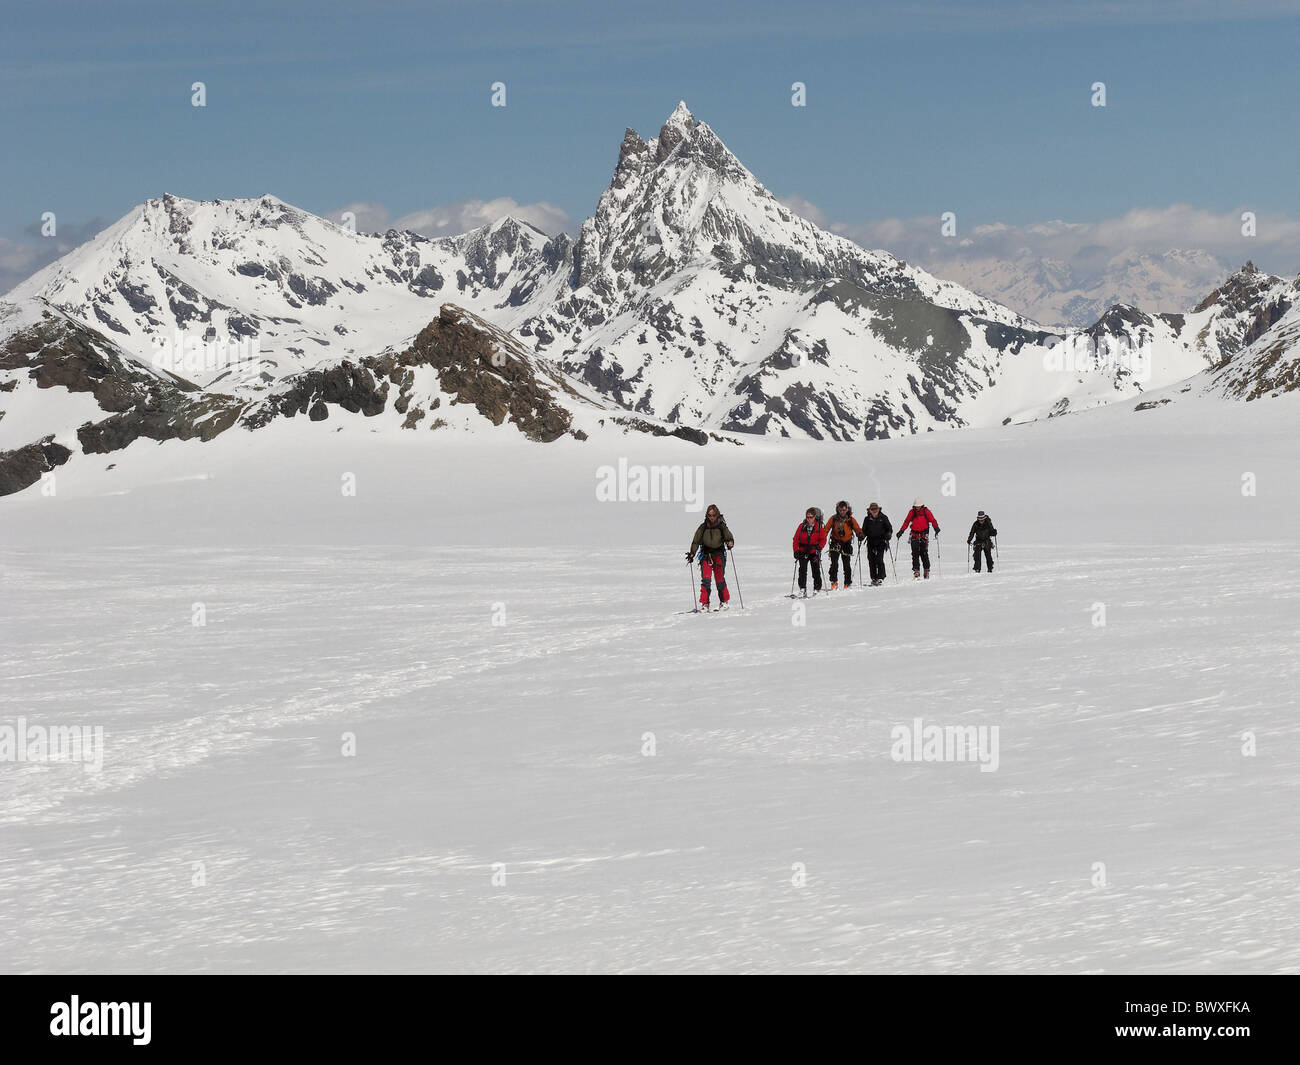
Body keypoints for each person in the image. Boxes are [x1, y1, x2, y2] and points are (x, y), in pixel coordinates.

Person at [687, 504, 734, 610]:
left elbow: (728, 537)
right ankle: (705, 604)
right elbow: (696, 541)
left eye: (713, 515)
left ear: (717, 515)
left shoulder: (722, 526)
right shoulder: (703, 527)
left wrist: (730, 543)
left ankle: (724, 602)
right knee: (706, 579)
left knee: (719, 579)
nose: (711, 517)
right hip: (705, 555)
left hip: (719, 555)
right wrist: (692, 553)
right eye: (709, 515)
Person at [895, 497, 940, 579]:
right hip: (914, 535)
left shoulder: (926, 511)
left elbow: (932, 520)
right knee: (915, 553)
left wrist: (936, 528)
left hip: (924, 535)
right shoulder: (912, 512)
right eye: (916, 506)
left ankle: (926, 570)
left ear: (922, 505)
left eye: (919, 506)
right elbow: (906, 522)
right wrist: (901, 531)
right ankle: (916, 571)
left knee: (924, 553)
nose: (917, 508)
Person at [823, 500, 863, 589]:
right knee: (834, 564)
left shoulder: (851, 519)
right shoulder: (833, 518)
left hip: (846, 544)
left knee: (846, 564)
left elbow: (857, 528)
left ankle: (847, 583)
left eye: (844, 510)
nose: (842, 512)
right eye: (840, 510)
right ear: (837, 509)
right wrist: (821, 536)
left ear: (847, 509)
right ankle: (834, 582)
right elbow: (826, 529)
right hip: (835, 542)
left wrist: (860, 534)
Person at [792, 506, 827, 596]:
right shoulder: (802, 526)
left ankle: (817, 589)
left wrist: (819, 547)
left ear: (815, 517)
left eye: (811, 517)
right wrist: (796, 550)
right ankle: (802, 589)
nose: (809, 519)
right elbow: (796, 539)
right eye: (807, 517)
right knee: (802, 570)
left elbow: (823, 539)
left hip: (814, 551)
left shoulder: (818, 527)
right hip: (803, 551)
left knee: (816, 570)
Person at [858, 501, 893, 586]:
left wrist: (888, 535)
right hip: (871, 542)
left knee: (879, 559)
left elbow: (889, 528)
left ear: (878, 509)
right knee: (871, 559)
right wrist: (861, 536)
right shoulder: (867, 519)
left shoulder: (883, 517)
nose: (874, 511)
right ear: (869, 510)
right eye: (872, 509)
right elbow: (864, 531)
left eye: (876, 509)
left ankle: (881, 577)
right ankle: (874, 578)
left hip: (881, 541)